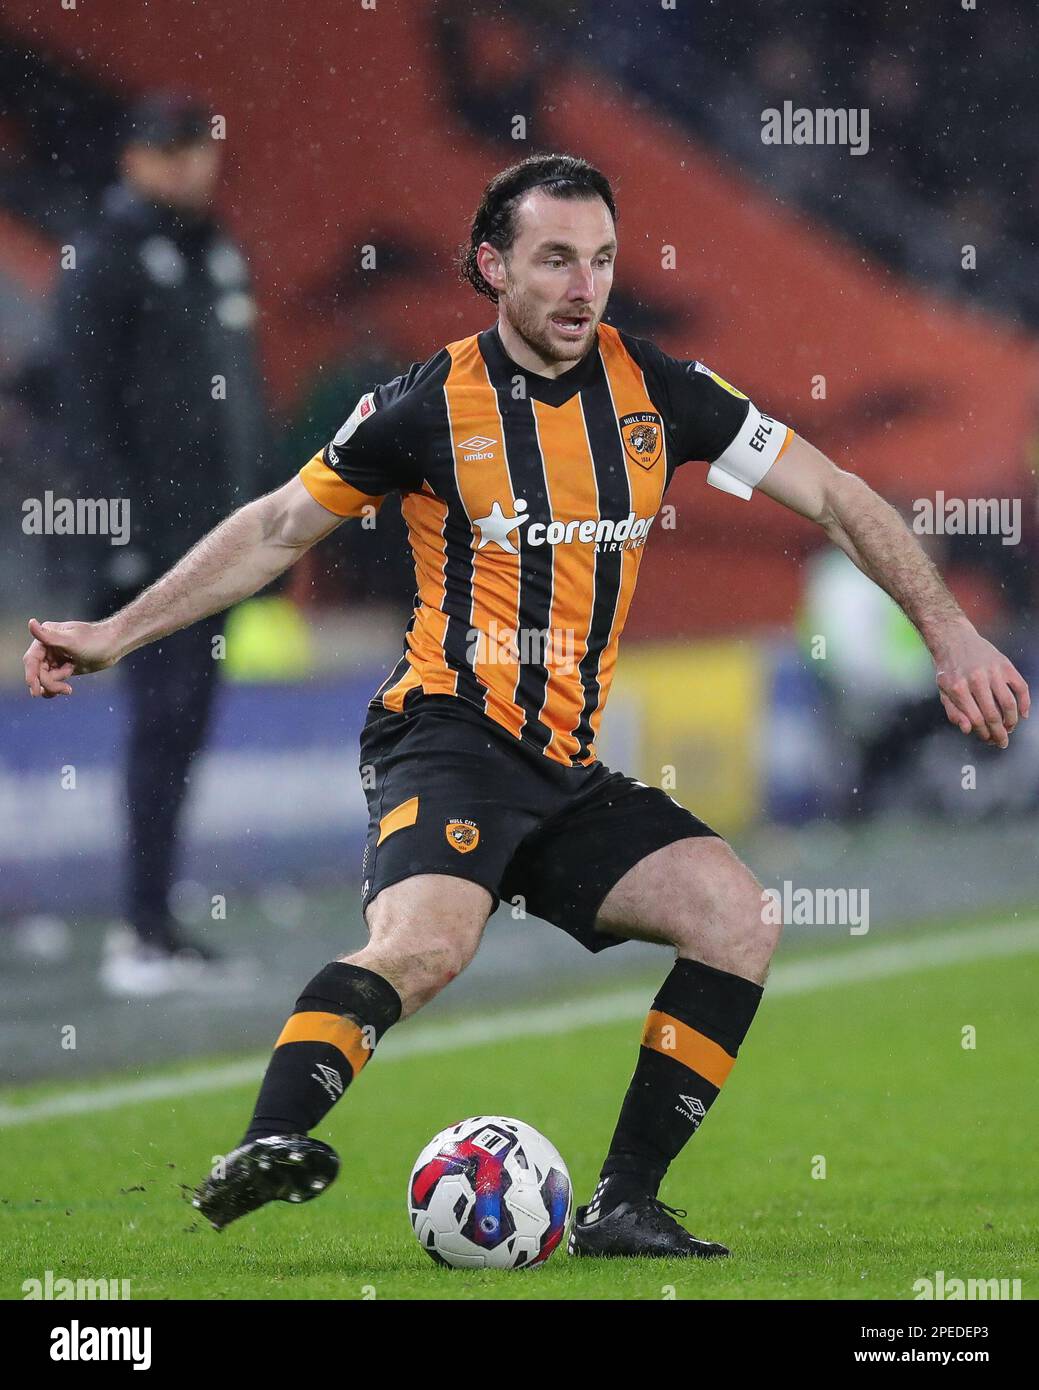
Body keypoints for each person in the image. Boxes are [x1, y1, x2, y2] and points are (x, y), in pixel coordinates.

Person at [23, 154, 1029, 1258]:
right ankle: (268, 1142)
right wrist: (115, 632)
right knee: (424, 946)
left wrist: (949, 632)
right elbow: (274, 528)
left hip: (563, 768)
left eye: (600, 260)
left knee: (734, 917)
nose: (582, 286)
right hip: (446, 736)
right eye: (555, 259)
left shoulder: (662, 393)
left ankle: (622, 1203)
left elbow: (834, 494)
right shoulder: (422, 404)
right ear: (492, 266)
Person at [49, 92, 269, 995]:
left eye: (197, 146)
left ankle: (157, 927)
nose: (189, 163)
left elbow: (239, 403)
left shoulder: (214, 250)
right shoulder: (103, 259)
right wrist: (121, 544)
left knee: (183, 730)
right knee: (161, 727)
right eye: (170, 149)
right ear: (132, 158)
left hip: (215, 540)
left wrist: (264, 526)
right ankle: (140, 932)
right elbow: (82, 415)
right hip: (152, 549)